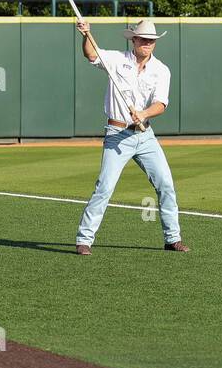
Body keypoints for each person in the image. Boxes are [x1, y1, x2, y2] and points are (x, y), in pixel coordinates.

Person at [74, 18, 189, 255]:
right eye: (143, 39)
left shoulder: (161, 70)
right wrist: (86, 34)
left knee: (166, 184)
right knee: (104, 187)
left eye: (151, 41)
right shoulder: (117, 60)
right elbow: (91, 55)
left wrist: (144, 113)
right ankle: (84, 239)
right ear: (134, 40)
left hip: (145, 135)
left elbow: (161, 103)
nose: (147, 43)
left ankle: (172, 238)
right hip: (117, 135)